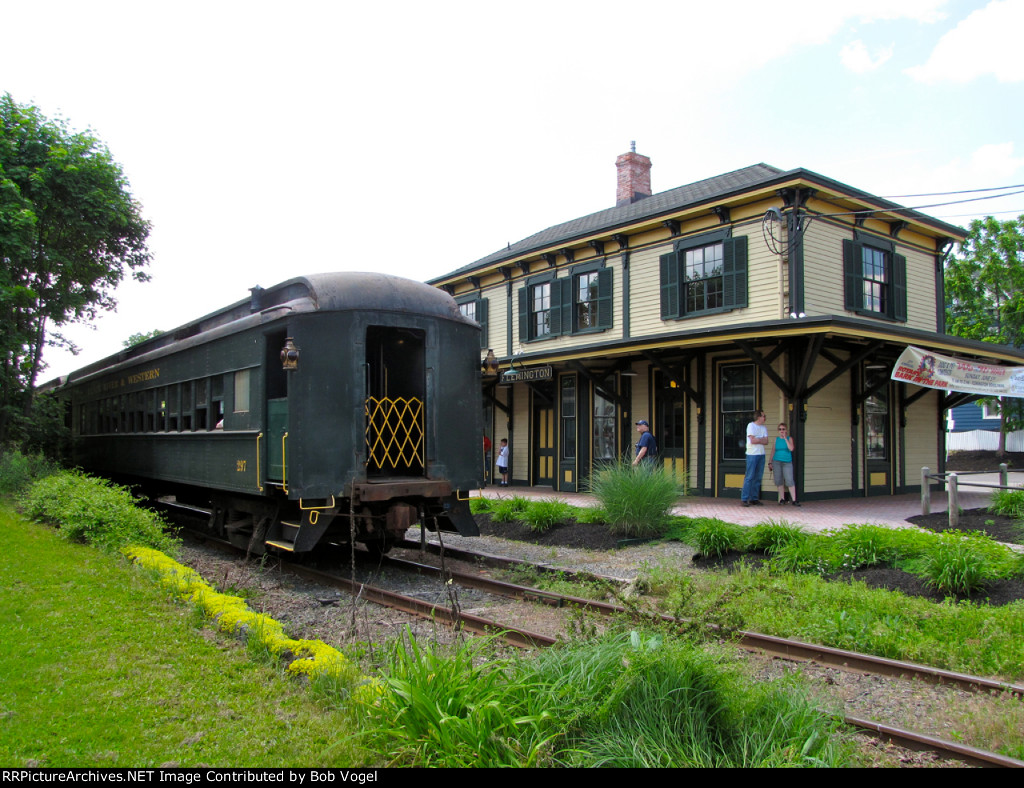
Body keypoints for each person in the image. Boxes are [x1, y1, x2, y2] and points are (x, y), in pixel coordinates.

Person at [768, 423, 800, 506]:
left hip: (787, 462)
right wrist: (770, 462)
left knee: (789, 480)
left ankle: (794, 499)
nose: (782, 431)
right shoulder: (776, 439)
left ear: (786, 430)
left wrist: (785, 439)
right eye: (780, 429)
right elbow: (773, 451)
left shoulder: (789, 439)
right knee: (779, 480)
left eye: (783, 429)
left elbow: (791, 448)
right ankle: (782, 499)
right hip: (776, 461)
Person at [742, 410, 768, 506]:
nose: (765, 418)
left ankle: (754, 498)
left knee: (758, 477)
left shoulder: (764, 428)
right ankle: (745, 498)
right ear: (758, 417)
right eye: (763, 416)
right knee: (749, 476)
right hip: (752, 454)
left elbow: (766, 441)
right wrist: (761, 439)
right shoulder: (751, 426)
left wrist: (758, 439)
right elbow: (752, 440)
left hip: (761, 454)